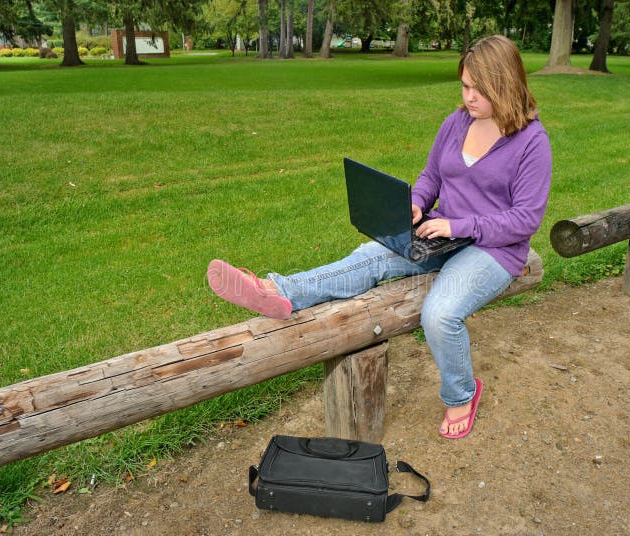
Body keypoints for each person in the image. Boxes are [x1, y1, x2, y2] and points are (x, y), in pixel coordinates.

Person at [207, 35, 552, 439]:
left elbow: (525, 220)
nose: (468, 97)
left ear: (505, 85)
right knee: (371, 255)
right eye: (464, 85)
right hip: (441, 230)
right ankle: (279, 291)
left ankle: (461, 394)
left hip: (494, 250)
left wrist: (459, 227)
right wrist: (418, 203)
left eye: (478, 89)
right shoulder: (456, 123)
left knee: (439, 315)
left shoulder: (532, 143)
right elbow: (433, 176)